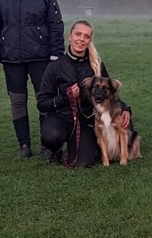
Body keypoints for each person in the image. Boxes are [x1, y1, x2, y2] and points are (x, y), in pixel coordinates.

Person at [0, 0, 65, 159]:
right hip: (11, 58)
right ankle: (24, 145)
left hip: (41, 57)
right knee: (17, 101)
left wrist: (56, 57)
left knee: (44, 101)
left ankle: (47, 144)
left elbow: (56, 25)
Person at [37, 20, 133, 167]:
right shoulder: (55, 67)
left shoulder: (97, 65)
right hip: (61, 117)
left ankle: (83, 147)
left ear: (90, 40)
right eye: (78, 34)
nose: (81, 39)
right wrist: (65, 97)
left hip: (86, 120)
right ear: (70, 36)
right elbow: (42, 103)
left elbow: (110, 94)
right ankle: (55, 151)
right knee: (51, 136)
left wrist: (125, 108)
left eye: (86, 36)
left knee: (84, 163)